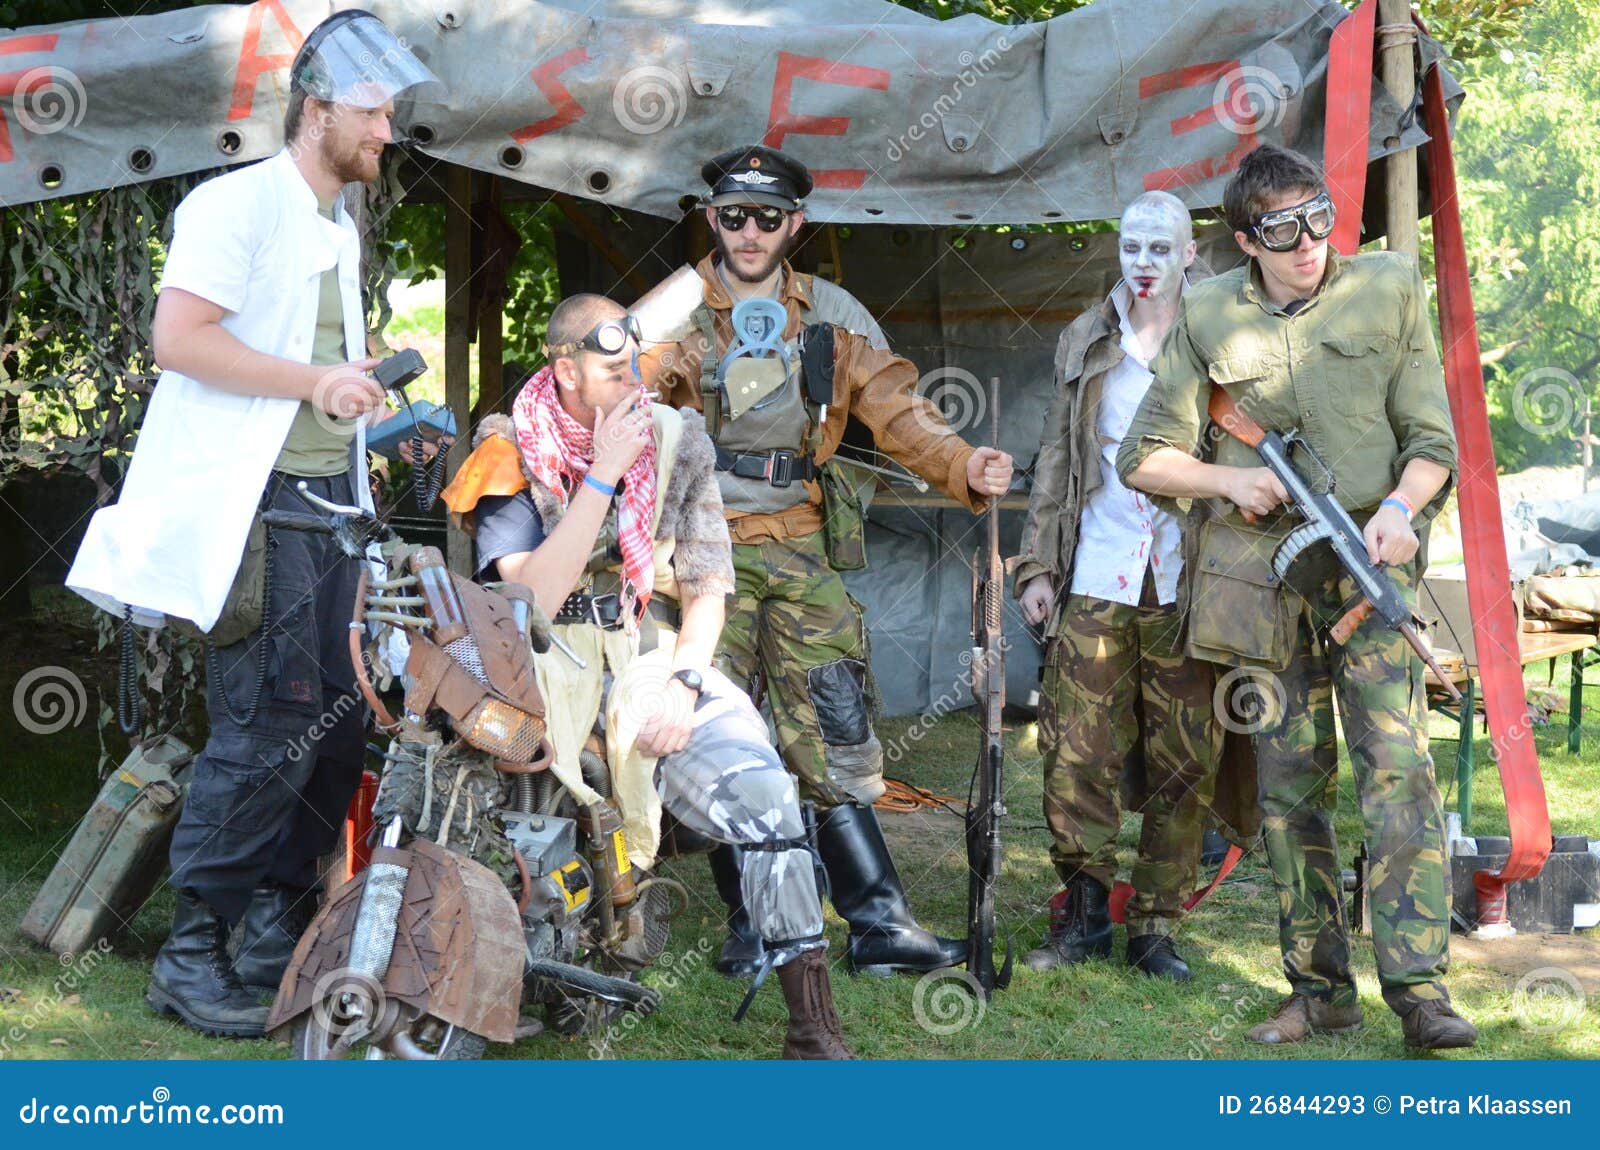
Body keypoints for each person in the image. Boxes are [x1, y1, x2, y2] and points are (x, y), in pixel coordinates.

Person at [67, 11, 438, 1037]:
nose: (387, 131)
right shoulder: (234, 205)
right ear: (315, 109)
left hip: (329, 520)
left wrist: (363, 416)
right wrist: (316, 379)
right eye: (372, 111)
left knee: (336, 735)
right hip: (260, 517)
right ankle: (191, 958)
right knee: (266, 733)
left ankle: (272, 938)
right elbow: (178, 339)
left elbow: (312, 388)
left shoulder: (332, 226)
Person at [1117, 144, 1475, 1050]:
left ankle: (1422, 993)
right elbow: (1141, 457)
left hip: (1371, 565)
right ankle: (1319, 990)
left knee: (1400, 776)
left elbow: (1434, 437)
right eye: (1283, 228)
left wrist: (1401, 507)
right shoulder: (1204, 313)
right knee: (1288, 791)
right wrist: (1226, 483)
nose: (1310, 240)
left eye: (1319, 217)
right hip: (1265, 586)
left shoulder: (1387, 287)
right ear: (1246, 241)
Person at [442, 293, 851, 1059]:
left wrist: (686, 683)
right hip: (541, 662)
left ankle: (813, 1028)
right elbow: (534, 597)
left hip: (647, 651)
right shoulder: (510, 446)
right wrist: (601, 477)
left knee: (766, 789)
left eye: (635, 363)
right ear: (563, 369)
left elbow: (708, 586)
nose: (632, 381)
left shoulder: (677, 438)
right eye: (609, 368)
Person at [639, 145, 1013, 978]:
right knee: (716, 736)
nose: (748, 231)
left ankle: (879, 928)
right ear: (711, 218)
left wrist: (962, 465)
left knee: (835, 731)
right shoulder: (671, 312)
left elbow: (898, 410)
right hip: (702, 555)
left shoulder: (831, 318)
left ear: (794, 225)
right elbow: (610, 387)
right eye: (732, 215)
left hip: (802, 549)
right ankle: (758, 928)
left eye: (767, 217)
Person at [1011, 191, 1220, 982]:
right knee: (1075, 751)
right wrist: (1037, 568)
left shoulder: (1218, 336)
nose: (1143, 263)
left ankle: (1158, 925)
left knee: (1184, 757)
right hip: (1096, 568)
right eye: (1132, 247)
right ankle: (1088, 908)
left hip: (1183, 577)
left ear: (1189, 254)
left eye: (1160, 249)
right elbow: (1058, 461)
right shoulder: (1086, 337)